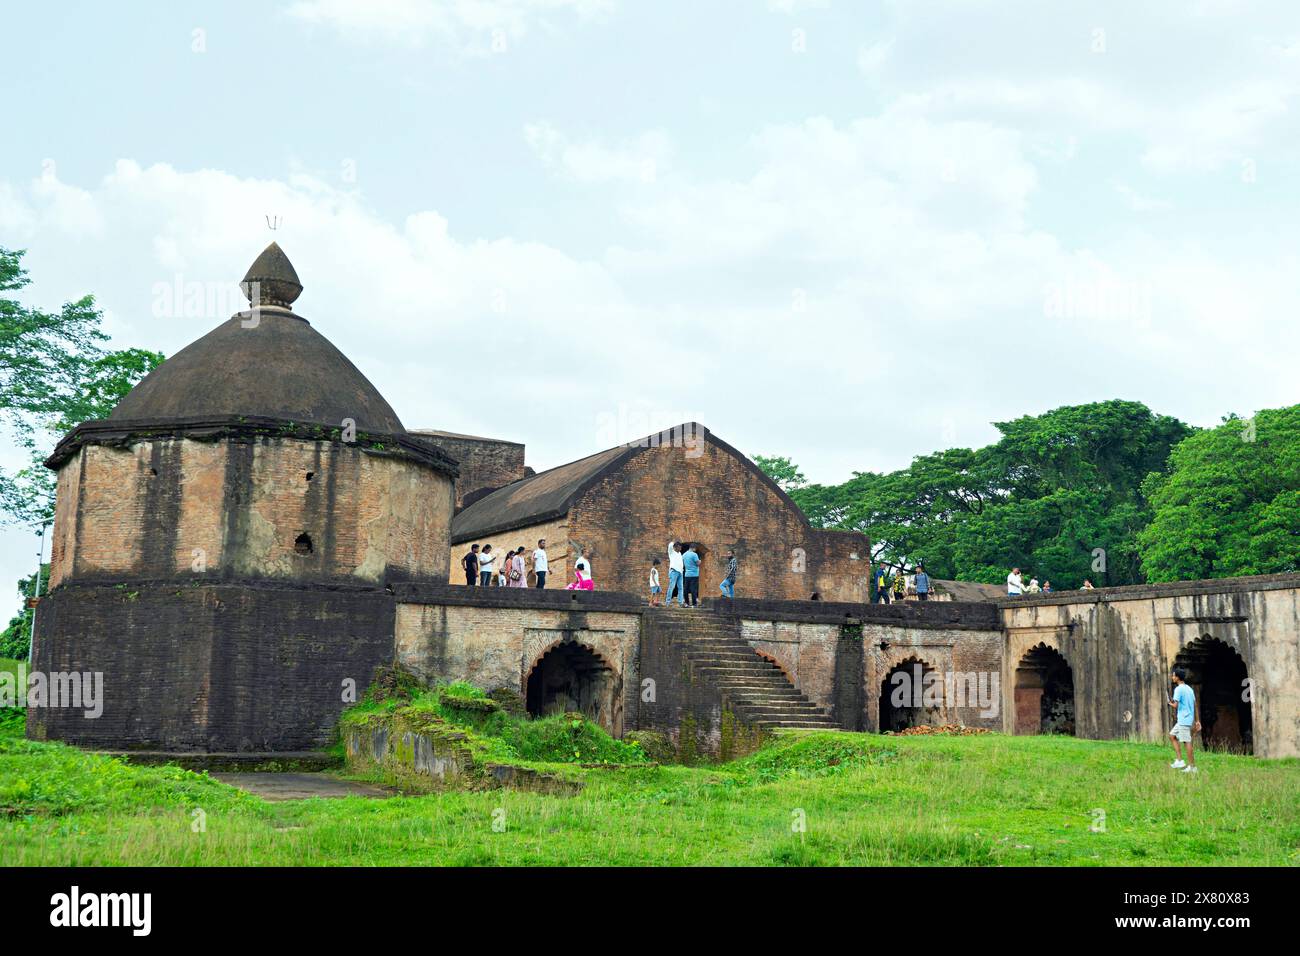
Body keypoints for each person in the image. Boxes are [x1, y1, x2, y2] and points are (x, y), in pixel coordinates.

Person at [1168, 666, 1201, 773]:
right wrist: (1197, 720)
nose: (1172, 677)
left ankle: (1192, 767)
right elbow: (1195, 705)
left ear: (1177, 677)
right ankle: (1179, 760)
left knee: (1187, 742)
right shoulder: (1189, 689)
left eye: (1173, 676)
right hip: (1187, 718)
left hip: (1183, 719)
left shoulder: (1178, 689)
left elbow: (1176, 705)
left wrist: (1169, 703)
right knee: (1172, 736)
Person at [667, 540, 685, 607]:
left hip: (680, 572)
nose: (680, 549)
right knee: (672, 587)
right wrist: (674, 542)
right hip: (674, 571)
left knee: (681, 588)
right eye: (679, 547)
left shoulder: (680, 554)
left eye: (681, 547)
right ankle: (668, 602)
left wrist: (682, 570)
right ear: (676, 547)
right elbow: (670, 545)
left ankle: (681, 603)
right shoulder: (671, 552)